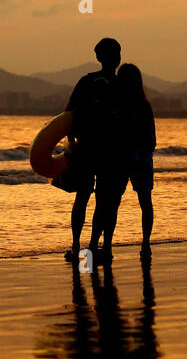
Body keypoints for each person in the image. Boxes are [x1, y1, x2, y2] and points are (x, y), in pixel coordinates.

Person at [63, 38, 126, 265]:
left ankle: (76, 246)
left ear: (98, 57)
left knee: (82, 197)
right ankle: (98, 248)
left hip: (87, 149)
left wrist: (71, 141)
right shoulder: (122, 85)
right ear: (118, 58)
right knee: (105, 200)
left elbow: (68, 112)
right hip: (112, 152)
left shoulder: (86, 81)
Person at [116, 64, 156, 258]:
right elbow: (152, 139)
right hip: (142, 158)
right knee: (145, 202)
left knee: (112, 201)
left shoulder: (118, 105)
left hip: (122, 157)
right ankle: (146, 244)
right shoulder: (144, 105)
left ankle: (104, 245)